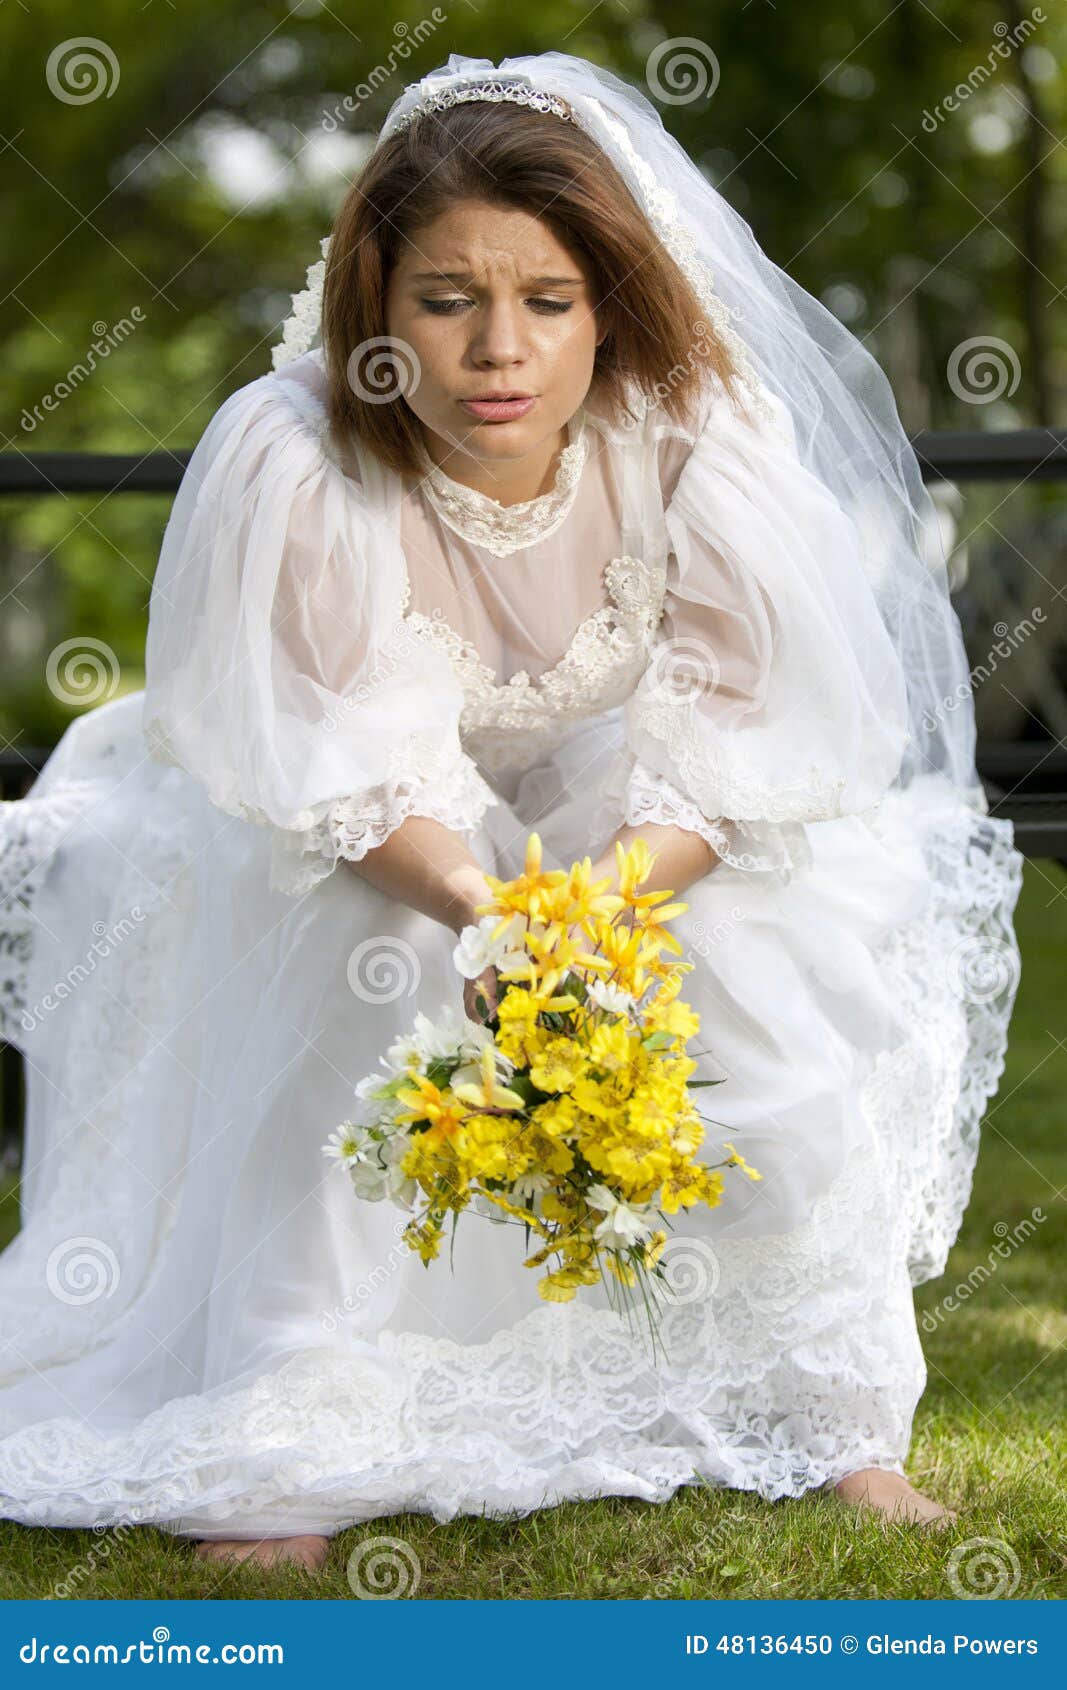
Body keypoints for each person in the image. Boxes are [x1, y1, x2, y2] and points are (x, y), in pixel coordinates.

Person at [0, 51, 1024, 1574]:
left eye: (548, 299)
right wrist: (494, 911)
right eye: (445, 299)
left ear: (609, 299)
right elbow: (338, 771)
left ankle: (825, 1408)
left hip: (610, 792)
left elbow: (748, 730)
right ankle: (298, 1399)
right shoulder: (298, 457)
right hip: (319, 795)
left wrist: (595, 902)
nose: (500, 349)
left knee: (752, 935)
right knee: (354, 945)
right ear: (374, 305)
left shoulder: (692, 433)